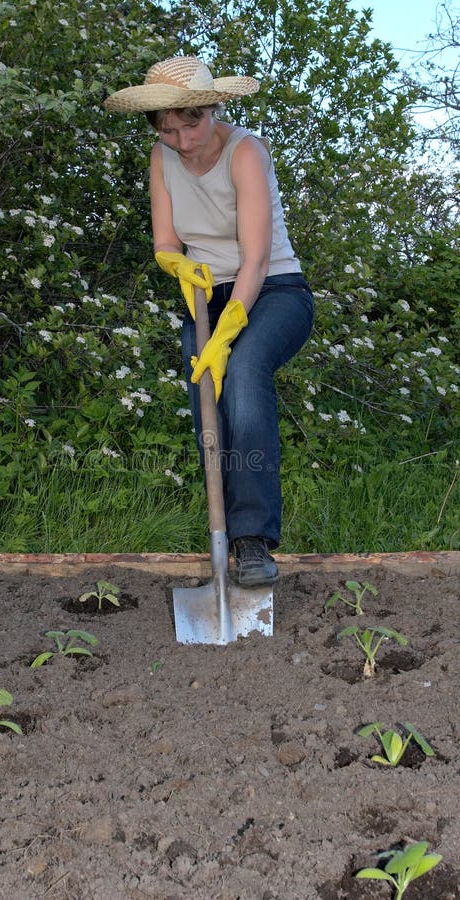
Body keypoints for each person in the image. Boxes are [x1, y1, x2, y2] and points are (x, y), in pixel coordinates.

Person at [104, 55, 314, 586]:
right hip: (207, 295)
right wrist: (174, 261)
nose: (182, 141)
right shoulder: (163, 156)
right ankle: (225, 538)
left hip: (274, 291)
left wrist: (226, 333)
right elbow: (166, 239)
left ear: (214, 109)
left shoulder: (245, 152)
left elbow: (257, 259)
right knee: (208, 409)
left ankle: (252, 541)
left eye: (191, 124)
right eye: (168, 129)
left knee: (241, 372)